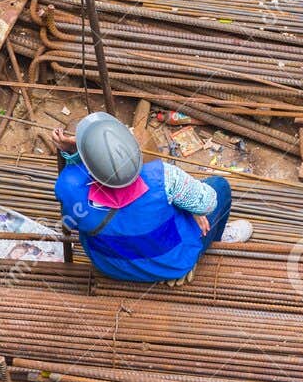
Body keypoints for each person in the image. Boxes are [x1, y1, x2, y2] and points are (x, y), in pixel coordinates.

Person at [52, 113, 252, 284]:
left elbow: (75, 221)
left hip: (110, 266)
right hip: (171, 263)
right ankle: (213, 244)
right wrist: (195, 209)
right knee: (220, 187)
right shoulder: (164, 177)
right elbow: (209, 203)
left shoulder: (68, 185)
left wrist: (73, 151)